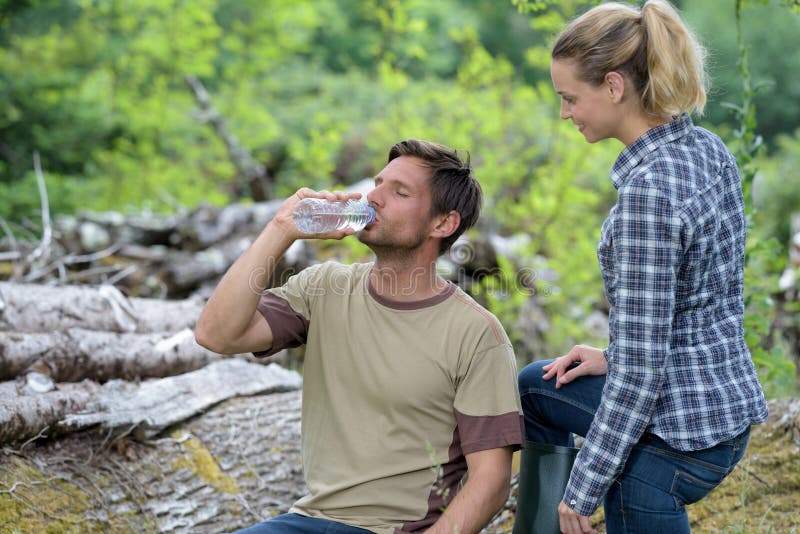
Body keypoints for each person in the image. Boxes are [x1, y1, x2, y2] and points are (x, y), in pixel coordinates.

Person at [516, 1, 769, 533]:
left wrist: (582, 490)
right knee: (537, 386)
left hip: (684, 434)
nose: (565, 113)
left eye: (569, 98)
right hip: (725, 404)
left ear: (613, 86)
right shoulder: (705, 148)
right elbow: (700, 299)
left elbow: (642, 374)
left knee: (627, 478)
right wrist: (614, 354)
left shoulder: (646, 199)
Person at [195, 139, 524, 534]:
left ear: (443, 223)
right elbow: (216, 334)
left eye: (399, 192)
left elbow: (491, 481)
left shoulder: (476, 333)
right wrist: (281, 229)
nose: (375, 197)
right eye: (378, 183)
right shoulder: (323, 288)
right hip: (308, 521)